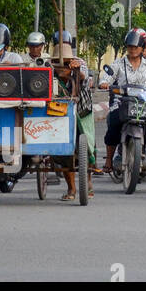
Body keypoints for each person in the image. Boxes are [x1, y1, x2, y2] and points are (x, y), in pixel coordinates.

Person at [99, 30, 146, 191]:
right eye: (130, 47)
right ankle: (108, 161)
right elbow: (108, 76)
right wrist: (105, 83)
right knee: (113, 124)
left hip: (143, 105)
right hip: (122, 102)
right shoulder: (119, 63)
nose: (133, 50)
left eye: (136, 47)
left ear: (143, 48)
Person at [53, 39, 95, 200]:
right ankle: (71, 189)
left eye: (64, 63)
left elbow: (85, 77)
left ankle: (88, 182)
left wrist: (76, 72)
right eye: (57, 63)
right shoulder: (50, 72)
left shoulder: (79, 66)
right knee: (64, 152)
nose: (61, 66)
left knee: (88, 146)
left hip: (82, 112)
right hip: (59, 114)